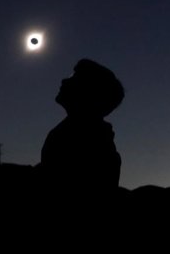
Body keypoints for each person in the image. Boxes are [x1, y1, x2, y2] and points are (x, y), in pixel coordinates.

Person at [36, 58, 125, 196]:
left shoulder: (94, 145)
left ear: (88, 92)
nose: (64, 80)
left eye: (74, 77)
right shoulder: (77, 133)